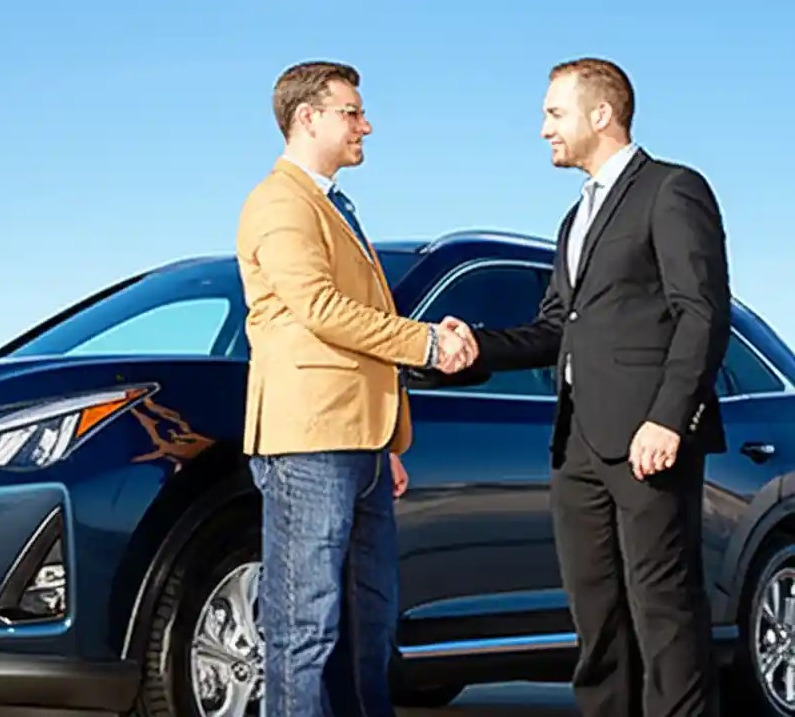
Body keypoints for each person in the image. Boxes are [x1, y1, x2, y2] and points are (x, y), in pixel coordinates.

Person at [443, 57, 730, 717]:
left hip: (647, 440)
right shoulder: (576, 219)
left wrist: (667, 417)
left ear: (600, 115)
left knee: (666, 618)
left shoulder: (671, 189)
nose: (543, 127)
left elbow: (701, 311)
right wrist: (474, 347)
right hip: (576, 446)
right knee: (597, 623)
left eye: (553, 112)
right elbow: (555, 329)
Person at [236, 60, 470, 717]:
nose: (366, 124)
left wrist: (385, 439)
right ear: (308, 118)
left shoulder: (332, 205)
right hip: (309, 445)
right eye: (352, 112)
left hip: (360, 446)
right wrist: (427, 342)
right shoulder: (280, 201)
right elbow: (322, 310)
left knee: (370, 628)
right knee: (304, 630)